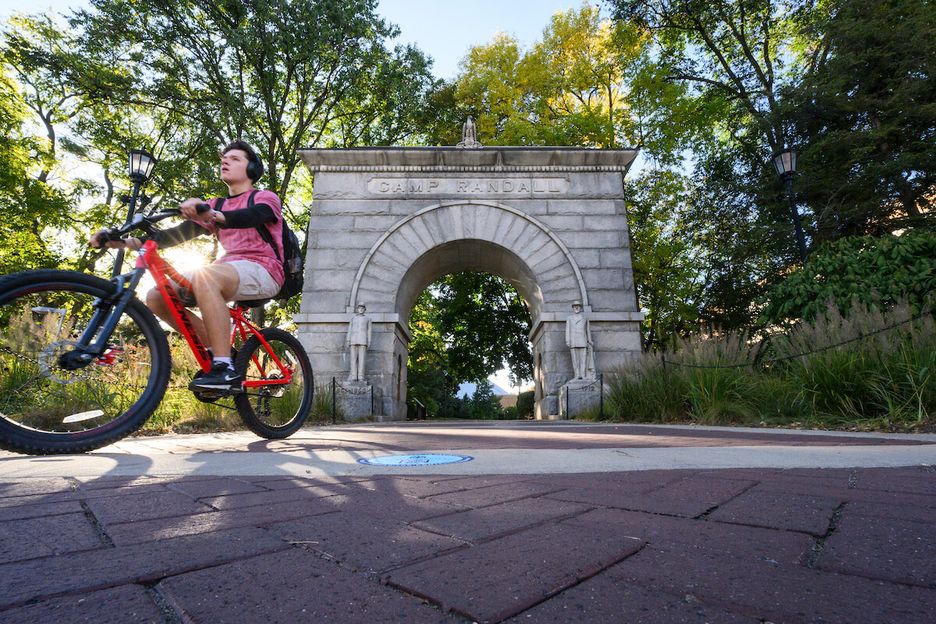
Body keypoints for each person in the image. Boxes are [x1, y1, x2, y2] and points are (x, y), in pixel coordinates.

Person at [90, 141, 284, 392]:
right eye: (224, 158)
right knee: (157, 296)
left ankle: (224, 369)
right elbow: (172, 236)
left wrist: (211, 214)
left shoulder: (264, 197)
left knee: (207, 275)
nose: (226, 161)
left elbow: (252, 216)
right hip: (226, 270)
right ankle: (223, 354)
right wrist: (120, 242)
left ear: (252, 168)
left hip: (264, 269)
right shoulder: (217, 204)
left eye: (235, 159)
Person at [565, 301, 593, 380]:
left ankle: (583, 375)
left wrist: (589, 340)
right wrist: (567, 340)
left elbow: (588, 330)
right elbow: (568, 330)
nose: (576, 308)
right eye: (575, 306)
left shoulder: (585, 318)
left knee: (583, 359)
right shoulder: (569, 318)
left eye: (578, 306)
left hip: (582, 340)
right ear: (573, 308)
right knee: (575, 360)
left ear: (580, 308)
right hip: (573, 341)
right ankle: (577, 375)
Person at [346, 303, 371, 382]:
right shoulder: (353, 318)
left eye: (362, 308)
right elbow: (350, 330)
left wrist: (369, 340)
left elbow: (369, 331)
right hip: (353, 340)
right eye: (359, 308)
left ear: (364, 309)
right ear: (357, 309)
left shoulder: (368, 319)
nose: (361, 309)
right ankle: (353, 375)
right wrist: (348, 339)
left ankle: (361, 376)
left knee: (362, 359)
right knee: (353, 359)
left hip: (363, 340)